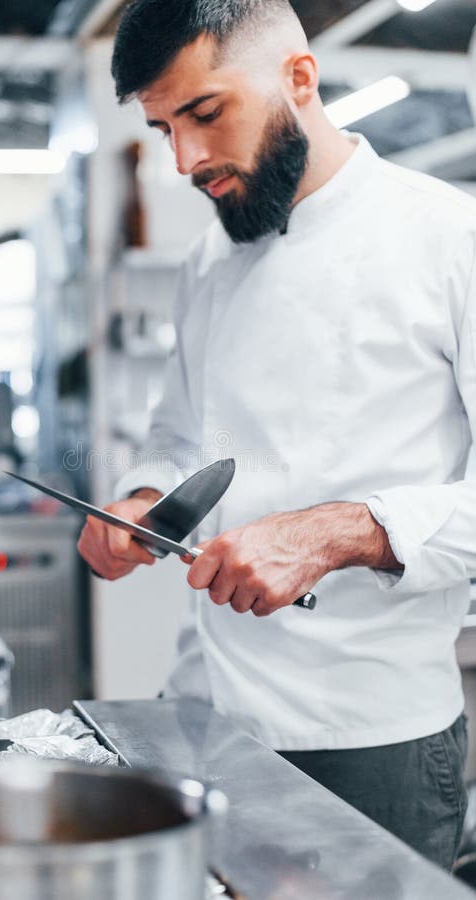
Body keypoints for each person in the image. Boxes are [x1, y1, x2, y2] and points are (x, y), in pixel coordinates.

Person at [77, 0, 476, 870]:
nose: (183, 159)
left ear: (300, 78)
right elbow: (179, 433)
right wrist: (146, 501)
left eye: (205, 114)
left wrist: (337, 532)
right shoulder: (207, 264)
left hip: (372, 742)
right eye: (162, 127)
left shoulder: (449, 240)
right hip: (204, 718)